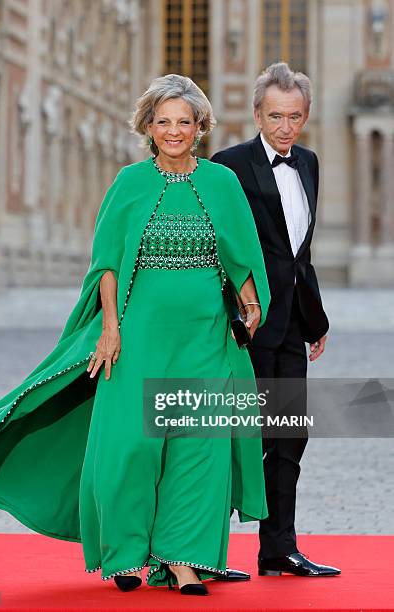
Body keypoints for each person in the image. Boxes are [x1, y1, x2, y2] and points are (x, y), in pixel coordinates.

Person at [0, 74, 271, 596]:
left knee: (198, 446)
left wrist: (251, 305)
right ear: (149, 128)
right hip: (140, 334)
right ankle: (126, 552)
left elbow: (242, 256)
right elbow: (107, 265)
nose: (174, 131)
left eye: (184, 122)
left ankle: (184, 557)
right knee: (129, 446)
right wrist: (110, 329)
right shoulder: (130, 184)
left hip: (205, 334)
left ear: (201, 126)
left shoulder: (222, 184)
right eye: (164, 122)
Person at [211, 62, 341, 577]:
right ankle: (200, 552)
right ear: (257, 114)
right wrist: (230, 313)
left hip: (291, 326)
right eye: (274, 116)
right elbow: (216, 246)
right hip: (246, 326)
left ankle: (278, 550)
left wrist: (317, 319)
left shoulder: (308, 162)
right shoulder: (228, 165)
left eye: (294, 116)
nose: (285, 126)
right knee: (233, 437)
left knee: (289, 437)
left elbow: (298, 255)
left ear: (305, 116)